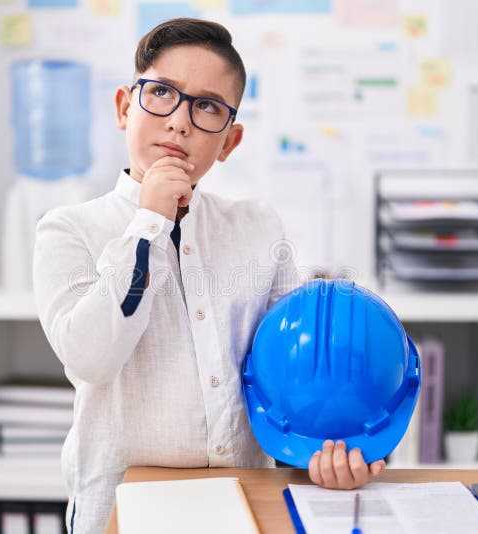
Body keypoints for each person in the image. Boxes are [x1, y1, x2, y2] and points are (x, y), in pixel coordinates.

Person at [33, 18, 385, 534]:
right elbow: (92, 358)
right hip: (121, 507)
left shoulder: (258, 228)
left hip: (245, 502)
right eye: (161, 93)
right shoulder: (68, 229)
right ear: (124, 108)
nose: (180, 122)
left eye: (207, 107)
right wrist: (149, 222)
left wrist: (335, 448)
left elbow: (293, 370)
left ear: (229, 141)